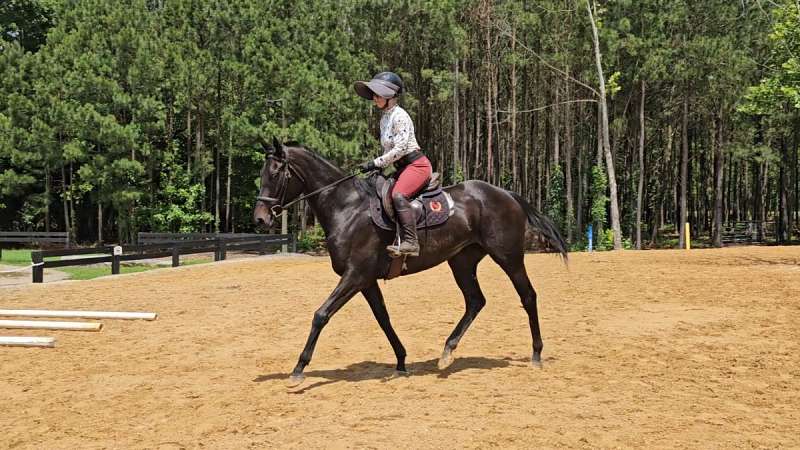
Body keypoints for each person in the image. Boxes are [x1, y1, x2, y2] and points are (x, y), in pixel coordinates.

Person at [354, 71, 432, 257]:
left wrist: (375, 162)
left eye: (378, 94)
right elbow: (388, 150)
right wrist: (378, 168)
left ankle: (411, 242)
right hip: (402, 167)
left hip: (417, 166)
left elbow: (400, 148)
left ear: (391, 96)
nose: (374, 98)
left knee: (398, 195)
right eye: (373, 94)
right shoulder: (384, 118)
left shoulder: (400, 116)